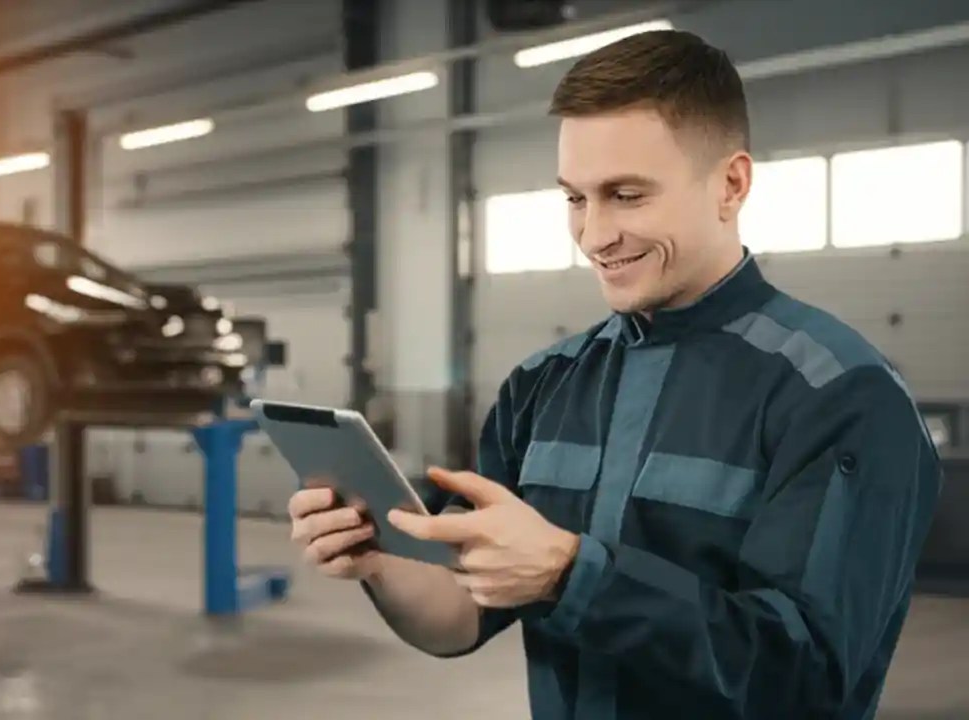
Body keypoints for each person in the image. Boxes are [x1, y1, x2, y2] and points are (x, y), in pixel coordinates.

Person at [287, 29, 942, 719]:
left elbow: (809, 680)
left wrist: (571, 576)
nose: (595, 235)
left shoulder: (841, 398)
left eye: (626, 195)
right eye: (575, 198)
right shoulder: (542, 387)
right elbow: (458, 613)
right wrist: (379, 561)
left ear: (731, 184)